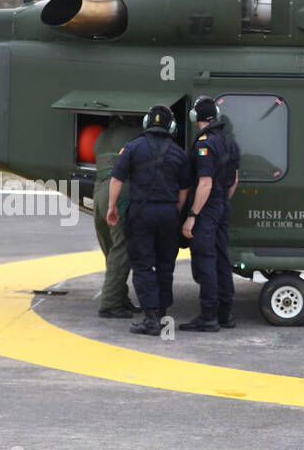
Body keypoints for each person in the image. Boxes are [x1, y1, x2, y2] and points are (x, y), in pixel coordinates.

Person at [107, 104, 189, 336]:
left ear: (146, 123)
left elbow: (116, 180)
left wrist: (112, 207)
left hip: (141, 213)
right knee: (165, 265)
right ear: (171, 126)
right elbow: (184, 189)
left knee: (143, 265)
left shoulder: (132, 148)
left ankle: (150, 319)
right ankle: (162, 314)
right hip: (168, 215)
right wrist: (176, 210)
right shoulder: (178, 152)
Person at [180, 95, 241, 332]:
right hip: (222, 202)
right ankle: (225, 314)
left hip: (207, 205)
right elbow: (235, 179)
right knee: (221, 260)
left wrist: (192, 215)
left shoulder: (205, 143)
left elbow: (204, 183)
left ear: (196, 117)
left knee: (206, 259)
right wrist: (223, 200)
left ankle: (208, 317)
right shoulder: (229, 141)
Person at [92, 115, 140, 318]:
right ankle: (110, 303)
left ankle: (120, 297)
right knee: (122, 248)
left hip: (99, 190)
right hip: (119, 190)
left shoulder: (102, 136)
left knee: (111, 249)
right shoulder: (135, 134)